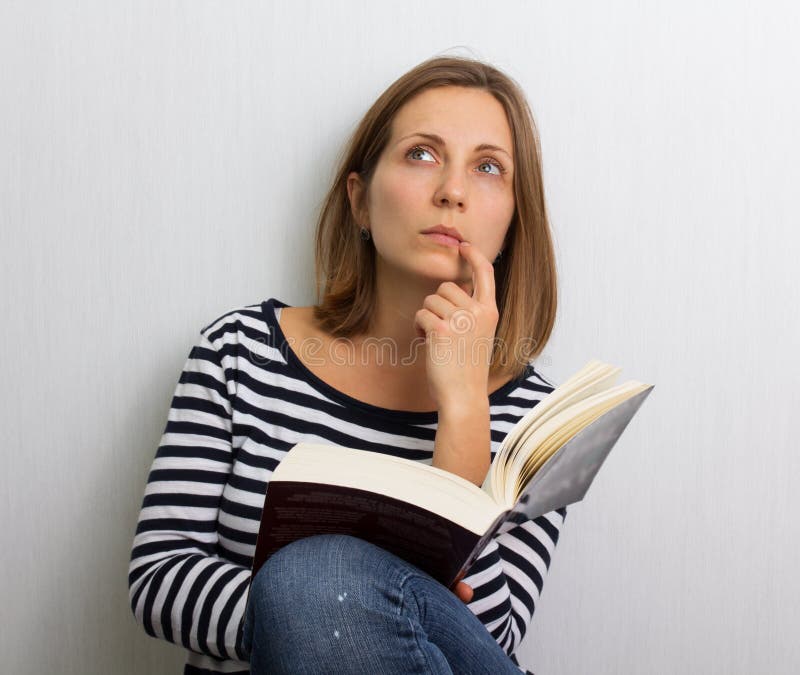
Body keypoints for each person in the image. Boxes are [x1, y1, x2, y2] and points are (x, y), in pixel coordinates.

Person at [128, 54, 567, 675]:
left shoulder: (538, 419)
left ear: (513, 222)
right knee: (320, 576)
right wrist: (315, 607)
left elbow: (489, 638)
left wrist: (465, 406)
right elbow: (159, 579)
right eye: (421, 154)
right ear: (359, 201)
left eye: (489, 167)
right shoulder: (239, 353)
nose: (453, 191)